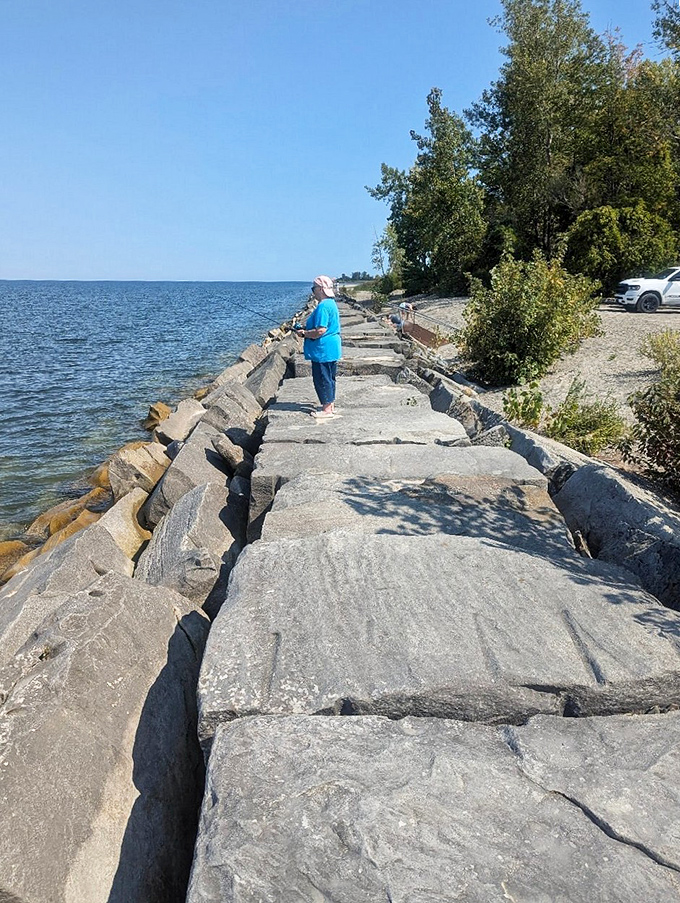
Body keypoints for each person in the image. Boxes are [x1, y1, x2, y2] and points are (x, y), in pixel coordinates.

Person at [298, 275, 342, 418]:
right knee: (330, 377)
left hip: (323, 350)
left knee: (322, 378)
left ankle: (326, 409)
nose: (313, 291)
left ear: (321, 289)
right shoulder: (331, 303)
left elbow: (320, 330)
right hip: (332, 348)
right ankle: (330, 405)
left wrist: (304, 333)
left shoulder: (323, 306)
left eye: (314, 288)